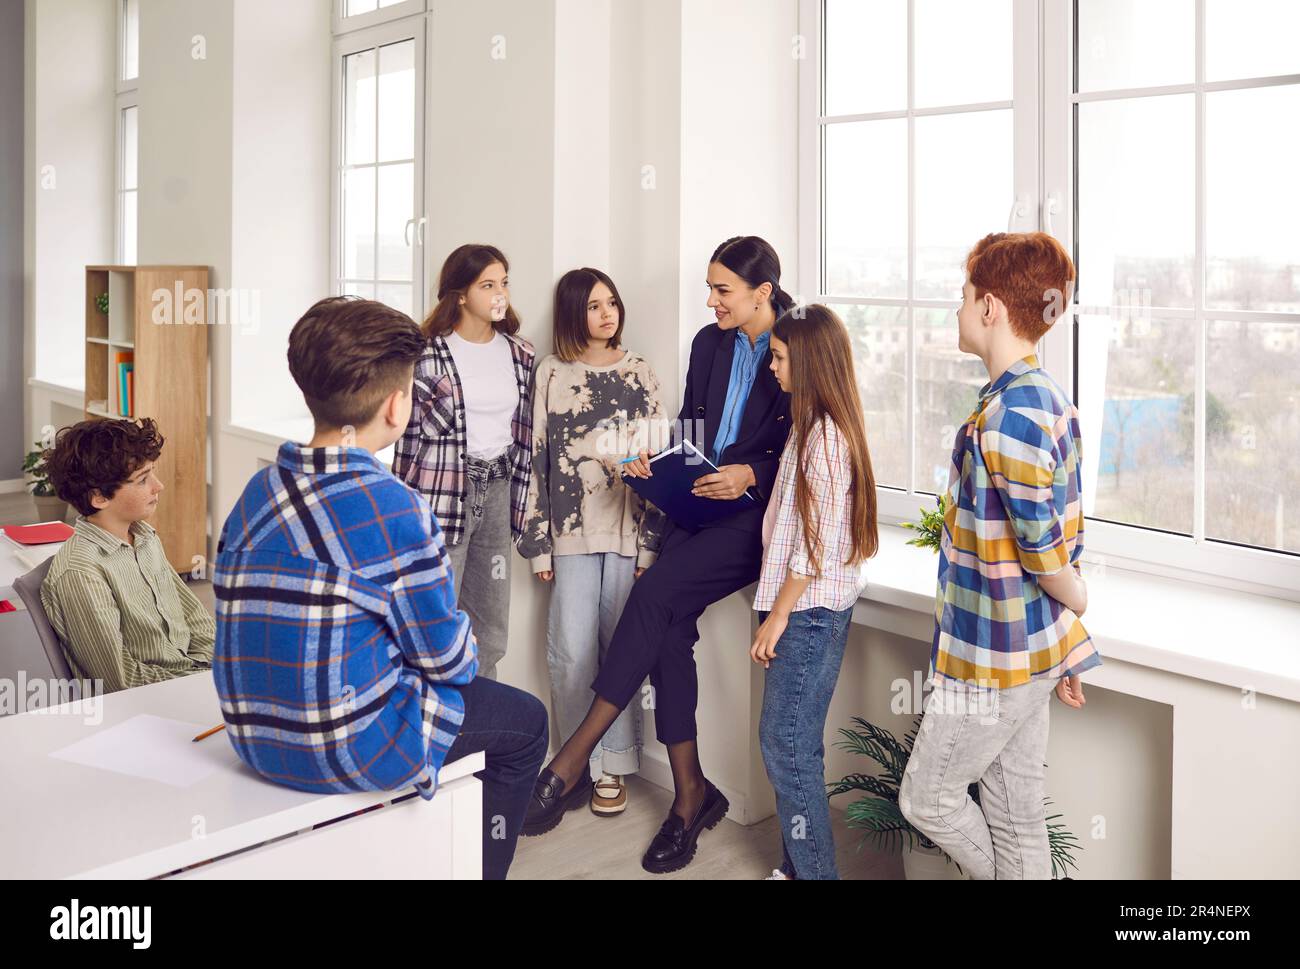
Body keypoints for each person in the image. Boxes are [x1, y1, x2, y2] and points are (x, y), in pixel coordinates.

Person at [213, 296, 547, 880]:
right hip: (349, 747)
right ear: (397, 407)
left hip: (253, 736)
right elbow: (448, 662)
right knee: (526, 724)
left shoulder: (256, 491)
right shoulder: (393, 506)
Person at [523, 235, 794, 875]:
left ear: (764, 292)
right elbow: (694, 430)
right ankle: (691, 796)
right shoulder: (709, 342)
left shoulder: (797, 344)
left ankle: (572, 760)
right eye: (710, 287)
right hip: (694, 499)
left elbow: (808, 442)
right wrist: (660, 461)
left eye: (722, 290)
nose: (711, 301)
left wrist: (750, 474)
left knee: (648, 597)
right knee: (668, 633)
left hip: (751, 517)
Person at [898, 232, 1102, 880]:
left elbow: (1045, 549)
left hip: (990, 662)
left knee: (925, 796)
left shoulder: (1010, 412)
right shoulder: (1039, 397)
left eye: (963, 297)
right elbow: (1057, 533)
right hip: (1029, 655)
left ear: (990, 308)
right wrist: (1065, 644)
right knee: (1017, 819)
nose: (957, 311)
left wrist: (1080, 599)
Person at [518, 267, 669, 818]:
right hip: (569, 535)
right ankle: (573, 766)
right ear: (572, 313)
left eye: (613, 303)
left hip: (628, 534)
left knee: (620, 652)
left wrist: (650, 546)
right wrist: (537, 543)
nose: (608, 314)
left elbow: (661, 464)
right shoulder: (552, 374)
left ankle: (614, 764)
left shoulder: (641, 374)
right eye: (594, 306)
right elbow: (533, 458)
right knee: (570, 651)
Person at [751, 304, 879, 881]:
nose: (772, 367)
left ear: (806, 360)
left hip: (807, 612)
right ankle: (796, 867)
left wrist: (777, 616)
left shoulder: (825, 437)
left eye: (778, 357)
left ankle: (814, 873)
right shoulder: (811, 426)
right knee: (790, 745)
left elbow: (814, 545)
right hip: (806, 608)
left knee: (788, 748)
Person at [393, 244, 536, 680]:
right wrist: (400, 509)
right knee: (435, 617)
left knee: (490, 624)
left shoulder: (520, 354)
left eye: (504, 283)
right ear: (459, 294)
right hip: (443, 493)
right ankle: (431, 724)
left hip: (498, 489)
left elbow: (525, 436)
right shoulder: (426, 354)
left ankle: (481, 724)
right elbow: (407, 437)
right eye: (488, 285)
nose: (500, 294)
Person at [40, 417, 214, 693]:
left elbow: (192, 616)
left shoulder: (145, 538)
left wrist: (217, 666)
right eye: (143, 479)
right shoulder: (81, 572)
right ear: (99, 498)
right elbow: (120, 679)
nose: (158, 486)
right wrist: (197, 684)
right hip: (149, 699)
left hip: (192, 676)